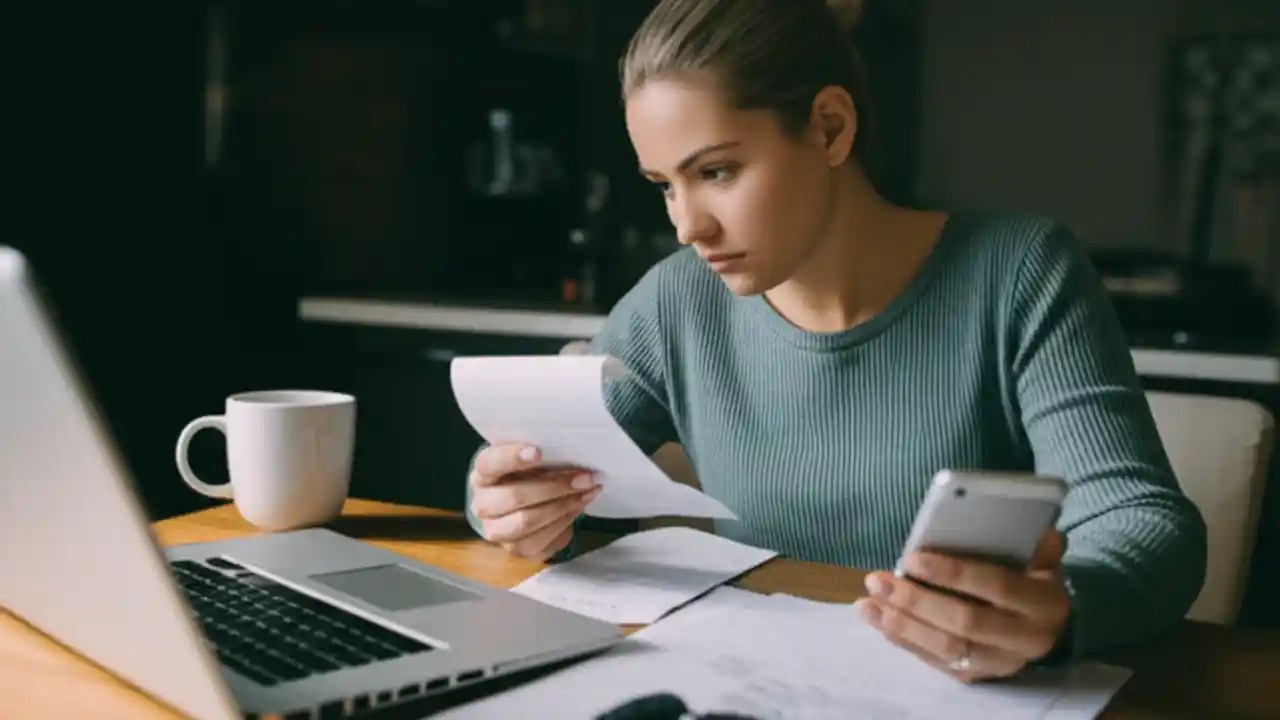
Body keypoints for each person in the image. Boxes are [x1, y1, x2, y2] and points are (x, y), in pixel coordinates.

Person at [464, 0, 1207, 682]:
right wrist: (507, 506)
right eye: (665, 184)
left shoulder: (1017, 273)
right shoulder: (677, 299)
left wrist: (1066, 605)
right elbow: (528, 471)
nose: (689, 226)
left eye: (716, 171)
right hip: (748, 688)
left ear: (829, 128)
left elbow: (1143, 522)